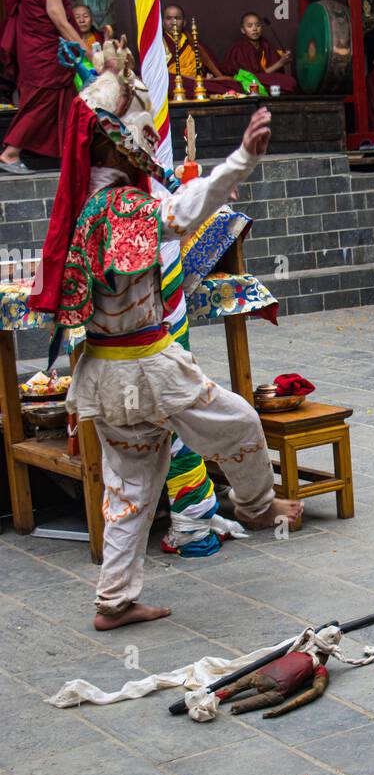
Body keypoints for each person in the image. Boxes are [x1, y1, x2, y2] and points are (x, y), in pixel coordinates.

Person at [27, 40, 302, 627]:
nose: (152, 143)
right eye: (147, 135)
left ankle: (114, 601)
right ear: (122, 146)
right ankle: (255, 507)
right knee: (242, 422)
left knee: (129, 492)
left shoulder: (85, 207)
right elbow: (179, 215)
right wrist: (240, 162)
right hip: (148, 368)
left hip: (104, 375)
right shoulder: (122, 205)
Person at [0, 0, 80, 173]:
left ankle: (72, 156)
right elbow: (62, 24)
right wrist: (87, 51)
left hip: (36, 56)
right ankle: (10, 153)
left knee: (61, 105)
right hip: (44, 60)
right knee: (40, 106)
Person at [223, 12, 296, 93]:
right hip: (248, 81)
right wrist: (280, 63)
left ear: (261, 27)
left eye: (258, 25)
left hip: (263, 80)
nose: (254, 29)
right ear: (243, 30)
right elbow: (251, 76)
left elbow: (274, 71)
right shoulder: (240, 48)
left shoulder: (265, 44)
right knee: (288, 82)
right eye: (250, 26)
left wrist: (284, 59)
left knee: (289, 81)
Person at [163, 4, 226, 85]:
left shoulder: (193, 43)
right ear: (163, 22)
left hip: (195, 83)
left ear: (184, 22)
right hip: (172, 83)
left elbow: (209, 67)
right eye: (168, 18)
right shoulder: (158, 45)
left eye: (177, 18)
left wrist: (208, 75)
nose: (173, 23)